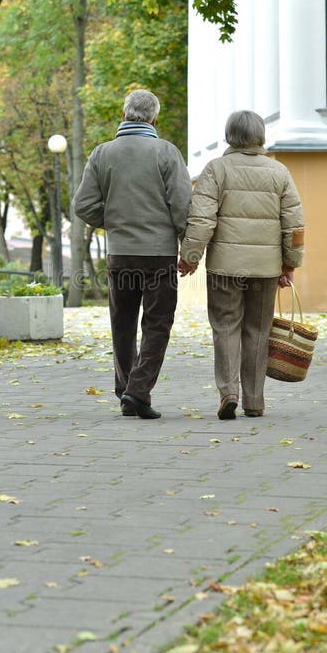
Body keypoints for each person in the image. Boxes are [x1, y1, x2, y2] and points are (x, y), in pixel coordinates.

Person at [73, 89, 192, 419]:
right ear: (155, 119)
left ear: (124, 115)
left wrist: (113, 222)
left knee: (122, 324)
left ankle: (126, 390)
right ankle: (137, 392)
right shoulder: (166, 152)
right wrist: (189, 247)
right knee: (157, 324)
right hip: (159, 255)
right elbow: (183, 206)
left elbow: (82, 205)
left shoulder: (102, 153)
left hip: (121, 253)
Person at [178, 110, 305, 421]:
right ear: (260, 136)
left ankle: (228, 392)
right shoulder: (279, 173)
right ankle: (254, 400)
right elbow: (294, 226)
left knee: (225, 326)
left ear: (229, 136)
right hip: (265, 268)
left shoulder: (216, 169)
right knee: (258, 330)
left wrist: (189, 257)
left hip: (224, 268)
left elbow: (202, 219)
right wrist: (290, 264)